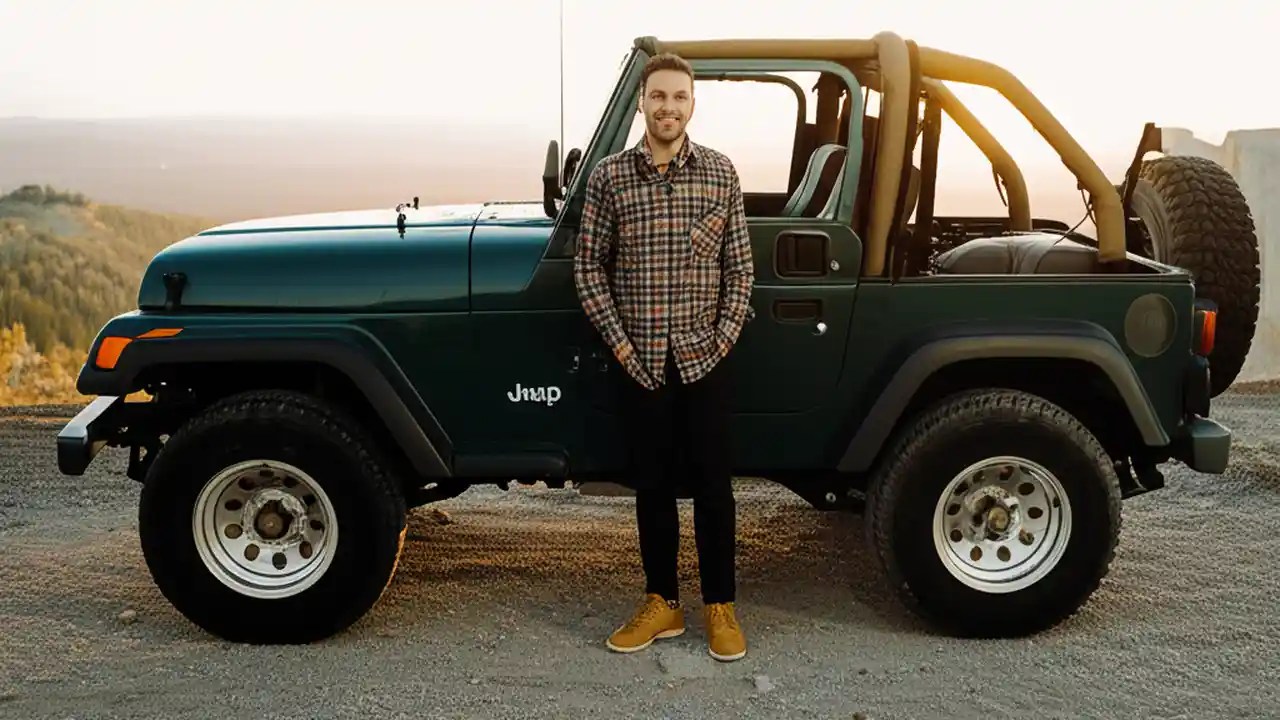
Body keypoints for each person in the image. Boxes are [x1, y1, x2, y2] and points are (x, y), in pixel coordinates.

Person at [573, 51, 755, 662]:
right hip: (640, 358)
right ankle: (662, 604)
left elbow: (740, 268)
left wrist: (724, 339)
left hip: (708, 356)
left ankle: (720, 608)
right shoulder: (610, 177)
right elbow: (588, 267)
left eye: (679, 97)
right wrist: (621, 345)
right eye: (658, 97)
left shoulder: (719, 174)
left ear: (692, 104)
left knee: (713, 487)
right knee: (650, 486)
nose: (668, 107)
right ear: (643, 103)